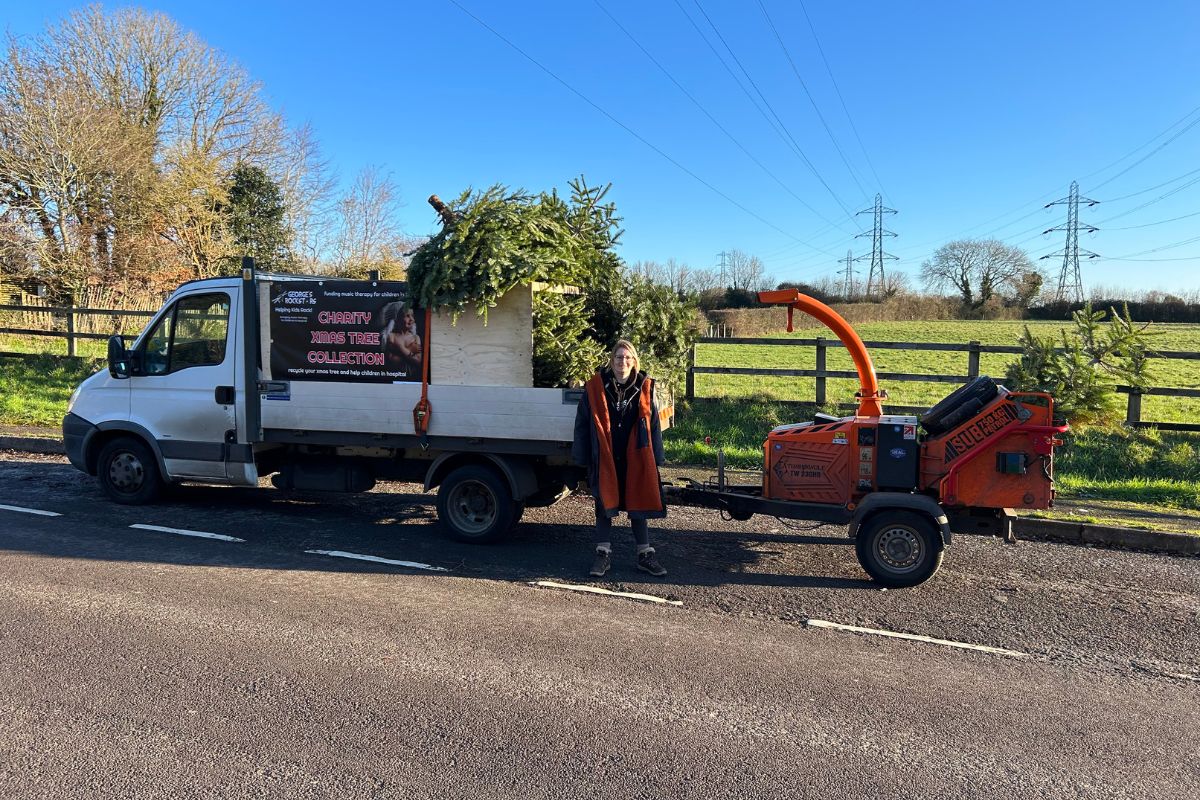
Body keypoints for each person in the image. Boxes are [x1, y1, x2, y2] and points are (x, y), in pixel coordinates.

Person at [572, 340, 668, 578]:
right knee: (604, 504)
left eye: (627, 358)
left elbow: (654, 425)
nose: (622, 362)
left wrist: (656, 458)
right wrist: (582, 457)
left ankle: (645, 555)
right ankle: (602, 555)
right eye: (618, 357)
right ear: (611, 361)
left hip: (635, 457)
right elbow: (582, 424)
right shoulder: (595, 388)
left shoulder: (645, 387)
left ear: (634, 361)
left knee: (639, 504)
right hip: (606, 455)